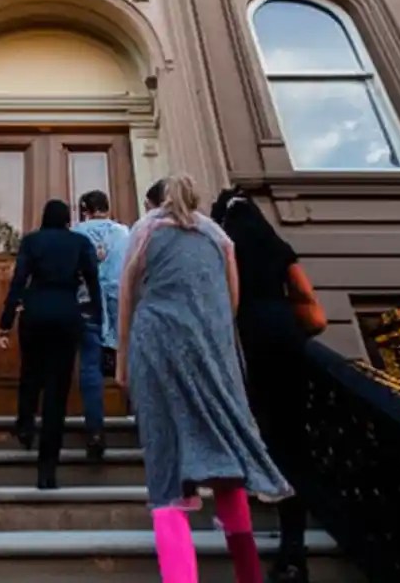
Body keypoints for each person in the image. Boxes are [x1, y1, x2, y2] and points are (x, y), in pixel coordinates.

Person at [116, 174, 292, 583]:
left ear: (152, 202)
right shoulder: (218, 238)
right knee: (226, 456)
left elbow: (127, 297)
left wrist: (123, 361)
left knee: (165, 468)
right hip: (210, 351)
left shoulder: (144, 231)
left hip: (156, 346)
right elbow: (230, 301)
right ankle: (249, 575)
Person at [211, 186, 326, 583]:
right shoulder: (276, 244)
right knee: (293, 440)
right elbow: (309, 299)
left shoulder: (222, 247)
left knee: (249, 431)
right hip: (286, 337)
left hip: (244, 342)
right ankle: (293, 550)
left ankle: (238, 528)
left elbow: (222, 298)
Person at [0, 199, 101, 489]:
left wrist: (5, 320)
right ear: (68, 219)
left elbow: (19, 280)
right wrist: (97, 315)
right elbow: (92, 281)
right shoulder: (79, 243)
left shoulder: (32, 242)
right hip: (68, 314)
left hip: (35, 312)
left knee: (30, 373)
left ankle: (26, 423)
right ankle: (47, 469)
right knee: (57, 391)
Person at [72, 190, 130, 459]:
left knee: (90, 367)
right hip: (122, 306)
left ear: (85, 209)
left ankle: (95, 429)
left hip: (87, 306)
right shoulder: (124, 233)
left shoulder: (77, 233)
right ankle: (137, 417)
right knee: (127, 362)